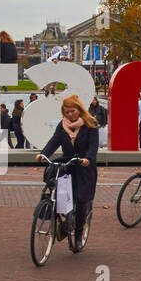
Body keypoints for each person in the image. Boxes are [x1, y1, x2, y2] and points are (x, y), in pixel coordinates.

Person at [36, 94, 99, 253]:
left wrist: (88, 158)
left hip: (84, 167)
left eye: (72, 111)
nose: (70, 115)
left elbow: (93, 146)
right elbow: (54, 141)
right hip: (68, 164)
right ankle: (65, 222)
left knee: (80, 199)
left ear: (79, 110)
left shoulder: (90, 124)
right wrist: (44, 154)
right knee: (61, 196)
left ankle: (78, 236)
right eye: (66, 112)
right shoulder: (62, 125)